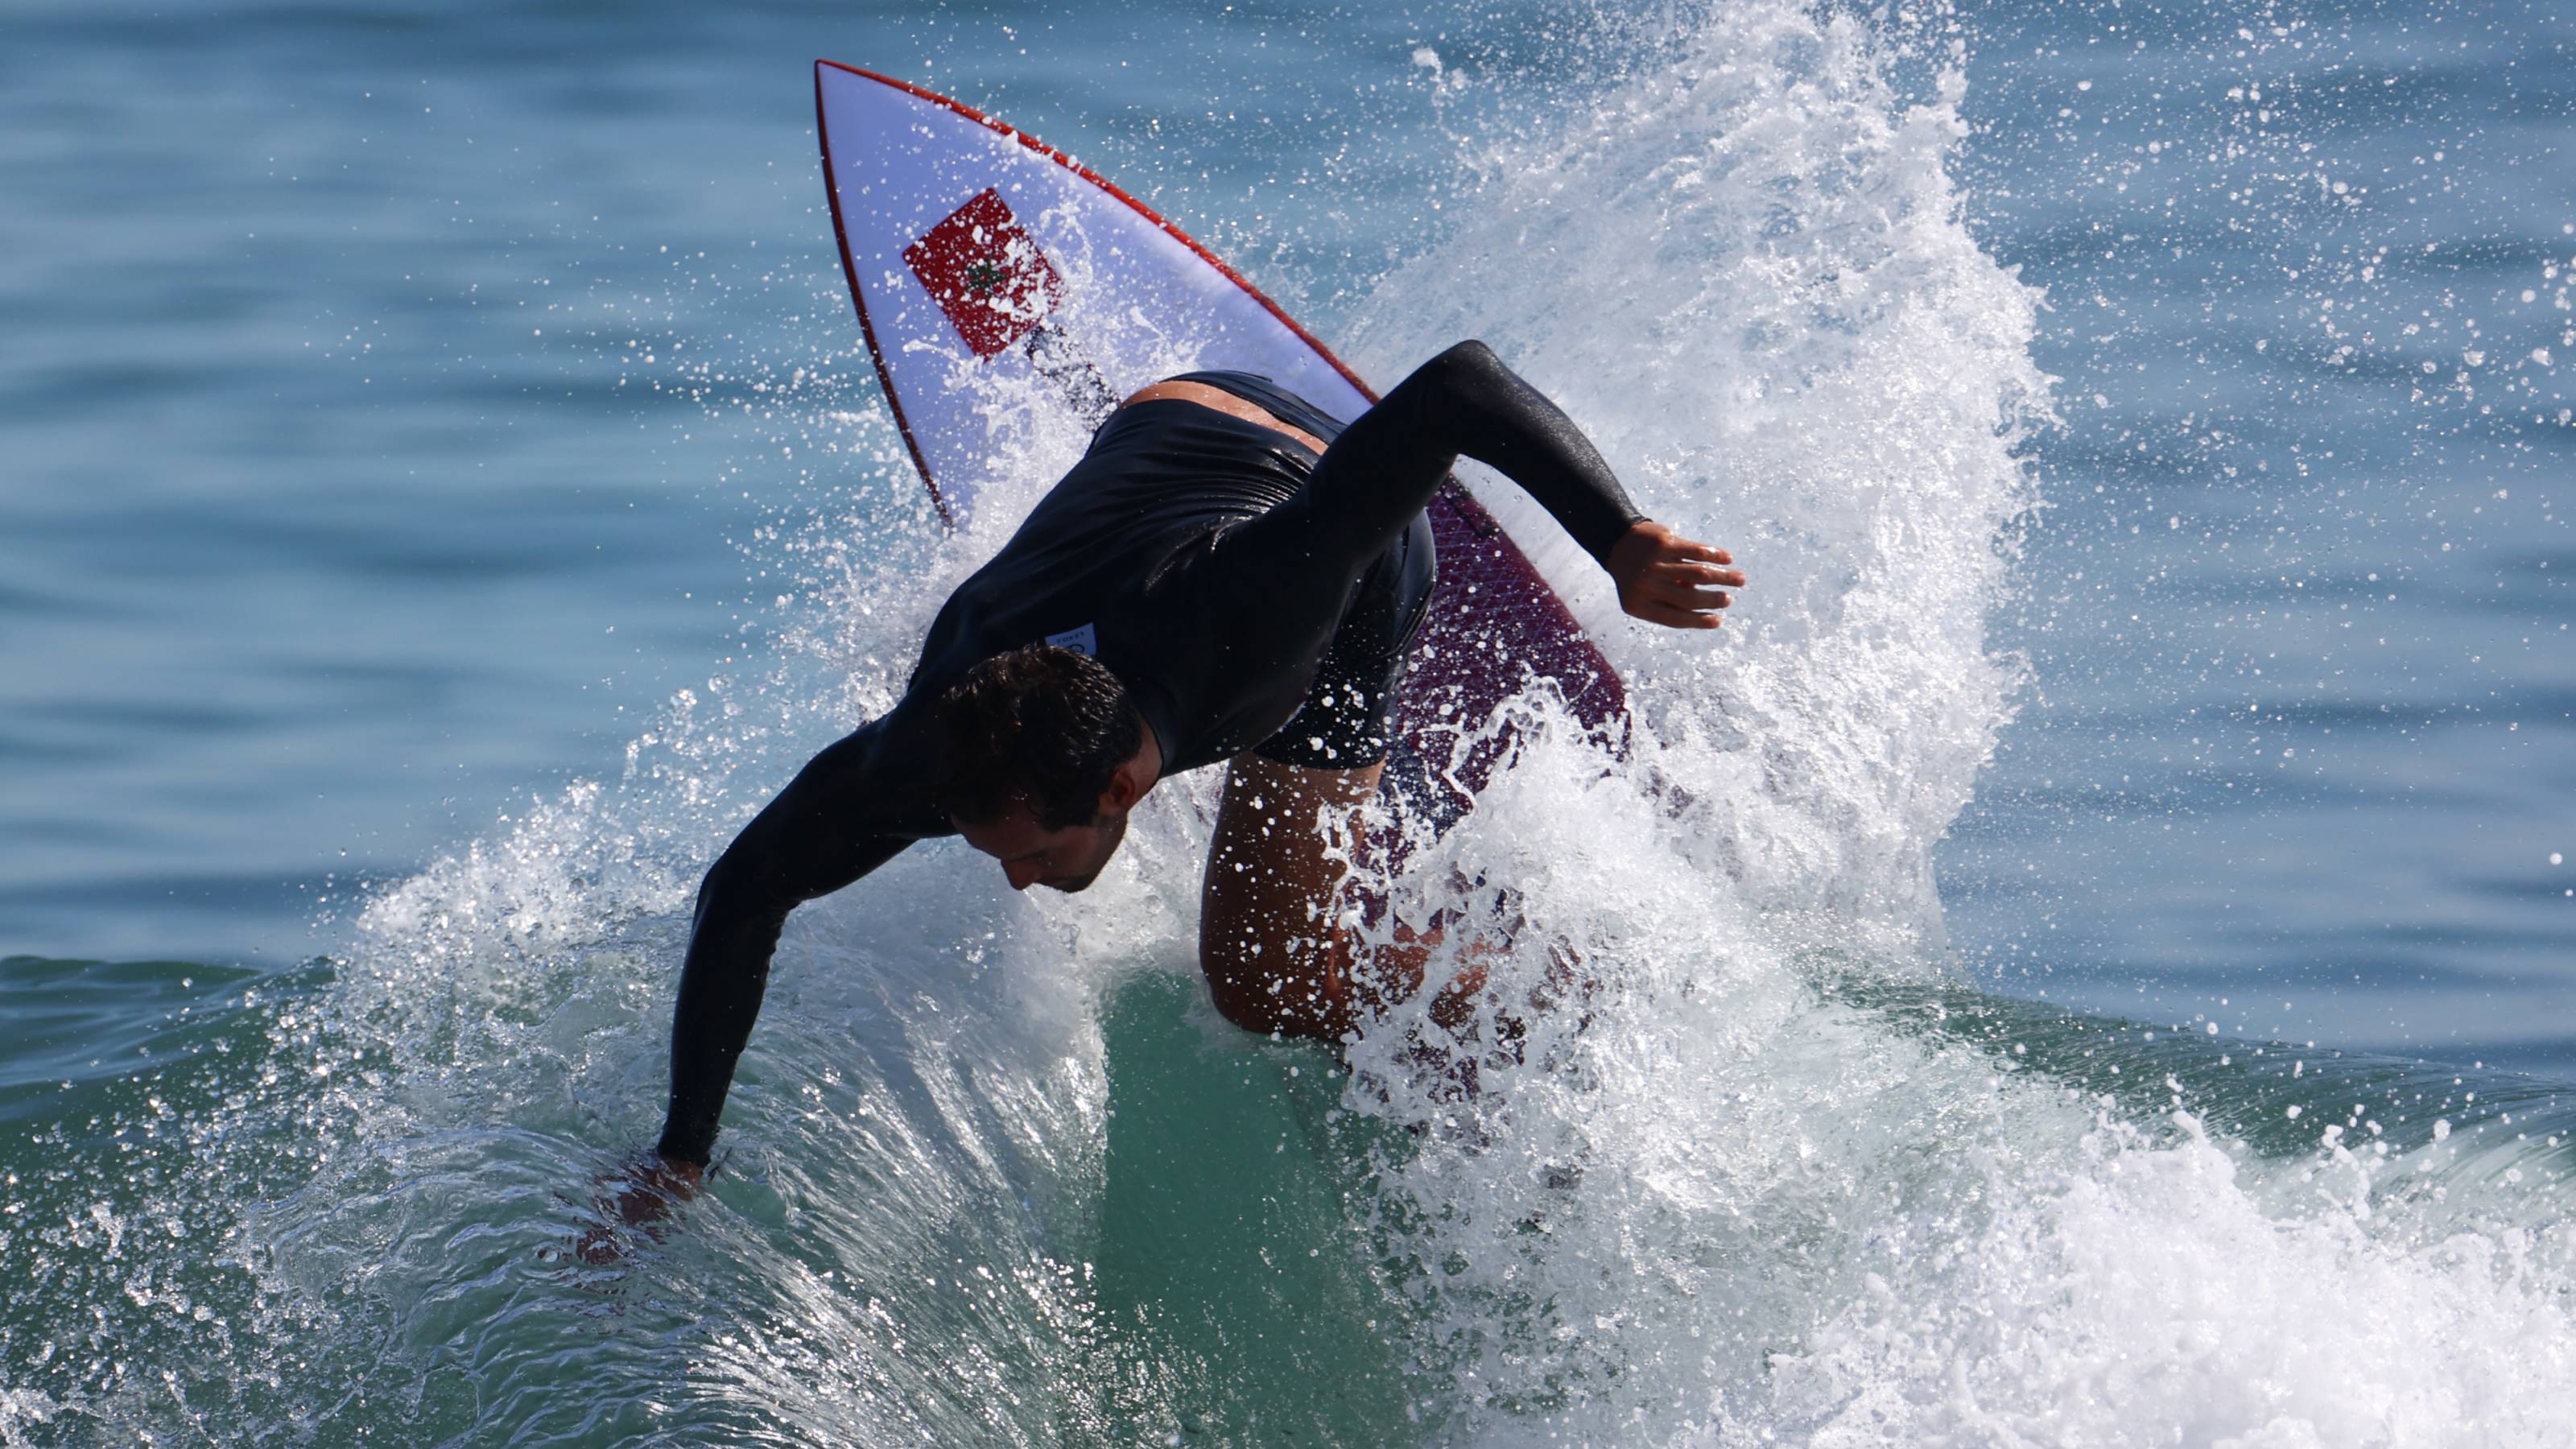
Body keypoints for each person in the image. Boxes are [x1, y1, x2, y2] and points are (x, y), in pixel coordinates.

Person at [597, 341, 1742, 1231]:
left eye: (1031, 854)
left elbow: (1458, 388)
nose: (1015, 883)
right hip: (1157, 426)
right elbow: (743, 888)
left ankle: (1548, 978)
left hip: (1325, 560)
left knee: (1263, 979)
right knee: (1258, 978)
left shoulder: (1256, 608)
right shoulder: (926, 754)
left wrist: (1625, 541)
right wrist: (681, 1154)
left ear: (1120, 788)